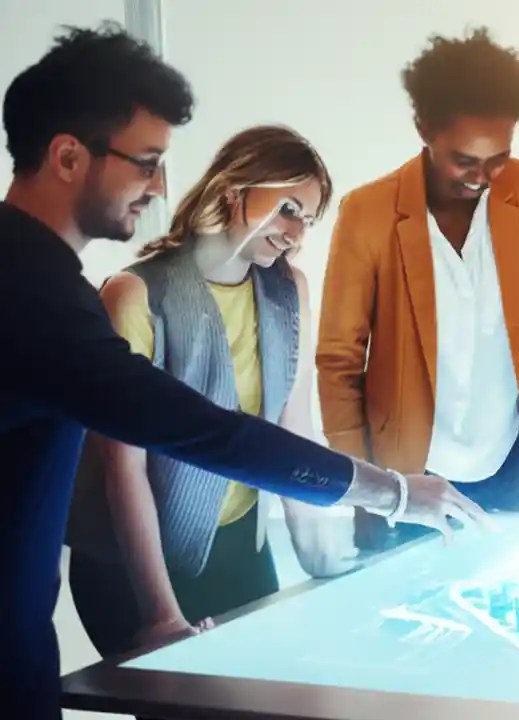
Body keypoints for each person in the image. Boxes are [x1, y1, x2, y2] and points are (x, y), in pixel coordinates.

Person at [0, 24, 484, 719]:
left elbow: (268, 425)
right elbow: (195, 431)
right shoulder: (41, 295)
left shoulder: (38, 280)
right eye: (144, 161)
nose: (160, 183)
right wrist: (393, 494)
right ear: (69, 156)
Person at [64, 125, 361, 662]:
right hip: (135, 566)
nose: (297, 233)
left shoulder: (289, 288)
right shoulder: (134, 294)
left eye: (308, 220)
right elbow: (122, 470)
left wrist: (322, 558)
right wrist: (161, 614)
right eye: (289, 209)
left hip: (240, 544)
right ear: (234, 189)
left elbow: (293, 432)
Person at [317, 27, 519, 555]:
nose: (484, 177)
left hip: (501, 458)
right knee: (412, 628)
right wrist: (361, 491)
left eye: (498, 158)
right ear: (424, 129)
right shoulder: (368, 214)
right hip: (405, 475)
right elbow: (339, 362)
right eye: (466, 160)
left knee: (496, 612)